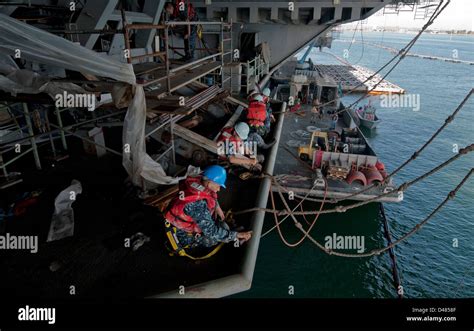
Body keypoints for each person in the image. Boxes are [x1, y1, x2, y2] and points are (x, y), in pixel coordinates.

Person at [165, 165, 252, 250]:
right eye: (218, 186)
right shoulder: (197, 205)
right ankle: (183, 244)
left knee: (219, 224)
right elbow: (211, 232)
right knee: (211, 240)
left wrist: (217, 207)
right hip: (181, 233)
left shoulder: (198, 180)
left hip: (188, 214)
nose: (219, 189)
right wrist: (236, 236)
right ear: (209, 183)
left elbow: (209, 194)